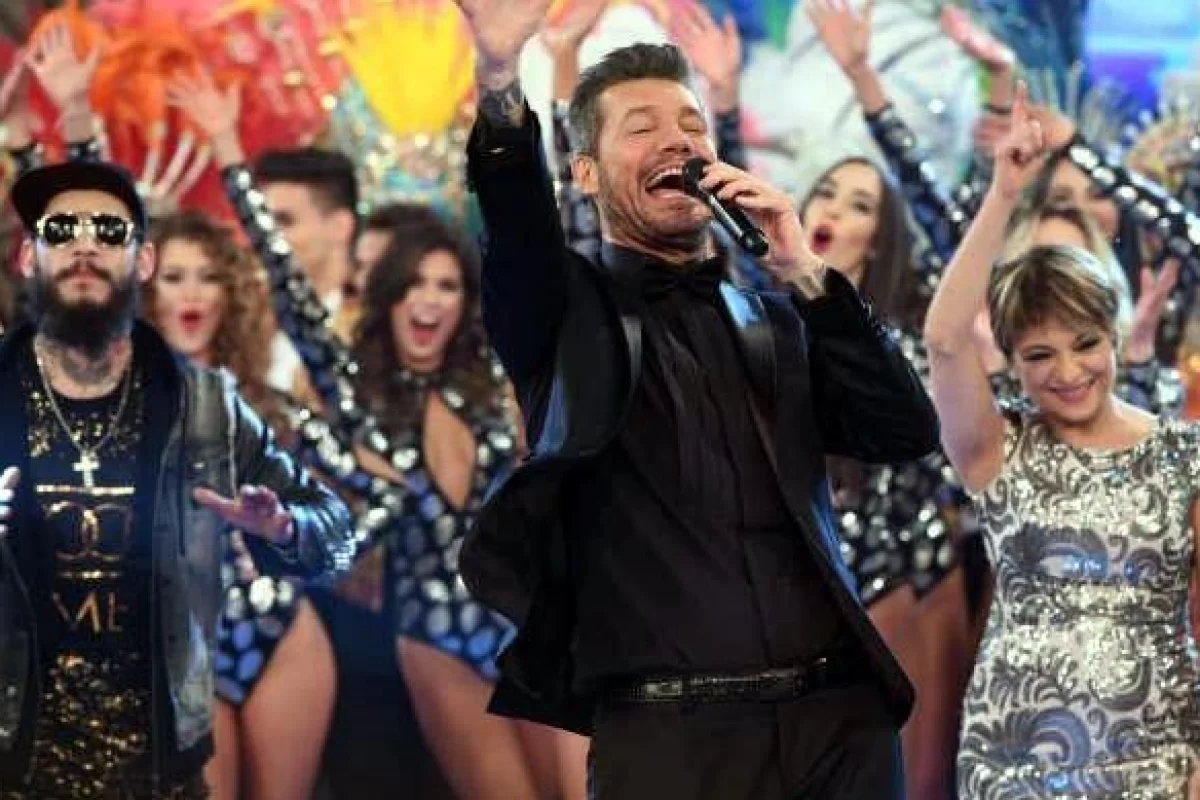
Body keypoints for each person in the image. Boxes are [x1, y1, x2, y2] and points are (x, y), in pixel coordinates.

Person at [451, 1, 941, 797]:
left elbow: (903, 428)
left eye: (690, 124)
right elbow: (515, 221)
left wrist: (805, 273)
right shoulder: (562, 315)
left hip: (839, 730)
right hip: (670, 742)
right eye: (641, 127)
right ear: (586, 172)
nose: (677, 141)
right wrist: (501, 76)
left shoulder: (777, 315)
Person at [0, 160, 350, 797]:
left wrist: (281, 528)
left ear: (141, 262)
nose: (85, 245)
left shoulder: (216, 404)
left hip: (212, 692)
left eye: (109, 231)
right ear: (29, 256)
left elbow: (336, 528)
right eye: (62, 231)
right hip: (44, 736)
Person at [924, 83, 1200, 799]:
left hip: (1158, 762)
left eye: (1085, 345)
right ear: (1013, 363)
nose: (1069, 372)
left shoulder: (1184, 455)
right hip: (1012, 767)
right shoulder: (999, 447)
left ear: (1115, 336)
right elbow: (944, 340)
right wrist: (1003, 196)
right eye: (1041, 355)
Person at [143, 211, 340, 799]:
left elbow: (342, 514)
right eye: (174, 277)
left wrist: (286, 528)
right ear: (145, 290)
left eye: (208, 277)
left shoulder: (266, 403)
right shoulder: (114, 403)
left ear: (230, 294)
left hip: (282, 631)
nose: (192, 293)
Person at [253, 147, 361, 397]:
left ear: (340, 227)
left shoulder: (372, 331)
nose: (265, 236)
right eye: (263, 222)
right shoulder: (248, 321)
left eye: (284, 221)